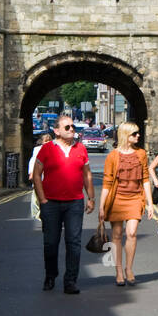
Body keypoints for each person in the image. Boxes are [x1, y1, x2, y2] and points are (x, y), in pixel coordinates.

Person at [31, 112, 95, 294]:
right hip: (50, 203)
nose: (72, 129)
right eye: (67, 127)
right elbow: (36, 175)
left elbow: (87, 174)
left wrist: (91, 197)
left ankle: (70, 281)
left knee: (73, 242)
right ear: (56, 131)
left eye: (73, 126)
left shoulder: (81, 149)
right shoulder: (47, 149)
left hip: (74, 202)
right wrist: (42, 199)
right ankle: (50, 275)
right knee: (51, 242)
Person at [101, 122, 151, 285]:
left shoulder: (141, 154)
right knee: (116, 235)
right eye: (134, 133)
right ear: (125, 135)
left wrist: (150, 203)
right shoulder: (113, 156)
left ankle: (129, 268)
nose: (138, 136)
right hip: (117, 198)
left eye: (138, 133)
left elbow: (145, 179)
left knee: (131, 233)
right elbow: (107, 183)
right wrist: (101, 206)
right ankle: (118, 271)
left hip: (135, 198)